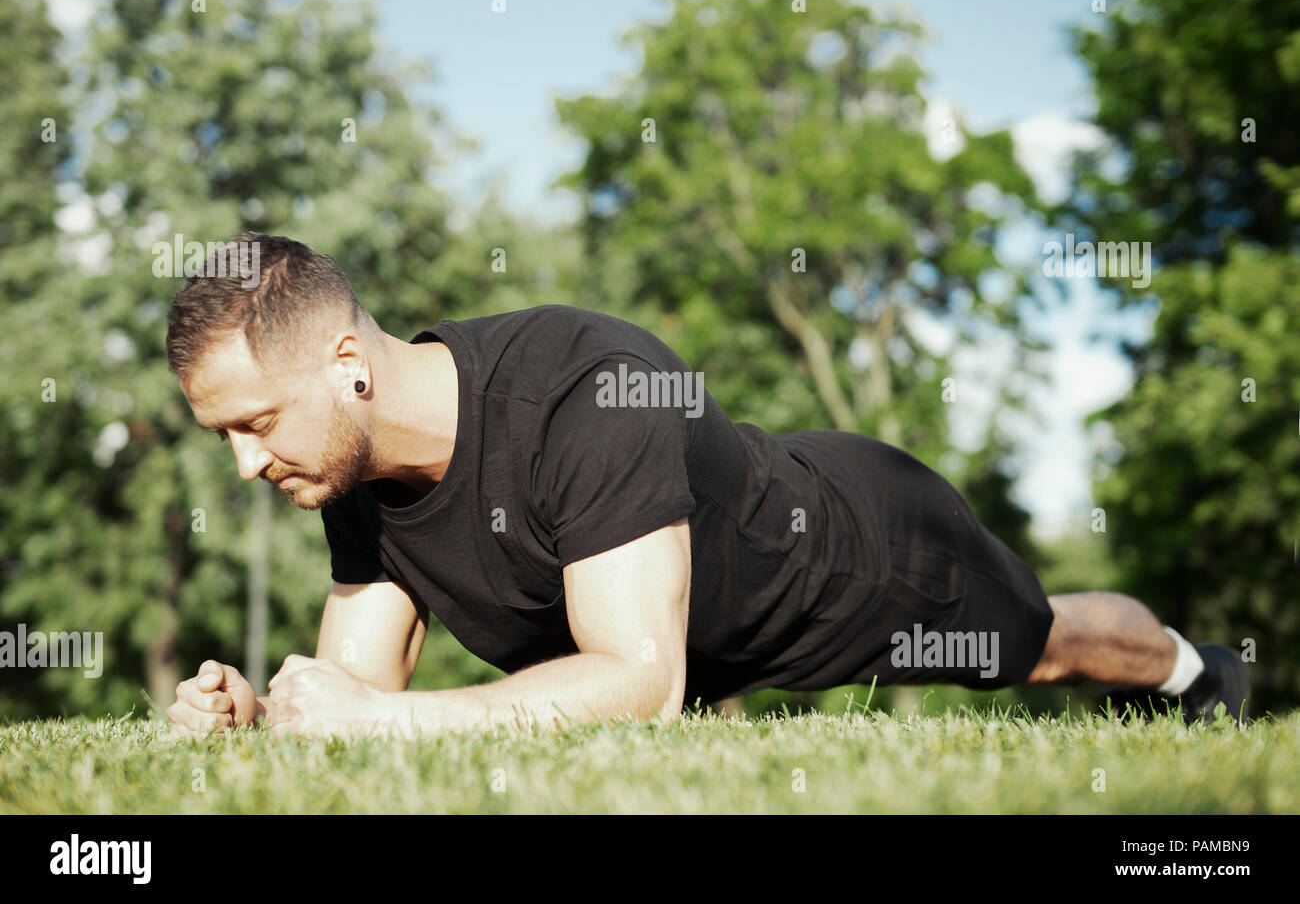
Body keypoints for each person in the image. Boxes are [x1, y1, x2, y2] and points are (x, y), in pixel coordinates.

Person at [163, 234, 1250, 739]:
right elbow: (358, 694)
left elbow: (641, 685)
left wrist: (385, 728)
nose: (246, 465)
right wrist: (255, 715)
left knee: (1042, 643)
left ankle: (1199, 674)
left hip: (859, 553)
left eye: (254, 425)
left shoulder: (588, 389)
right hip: (708, 623)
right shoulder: (349, 472)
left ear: (347, 366)